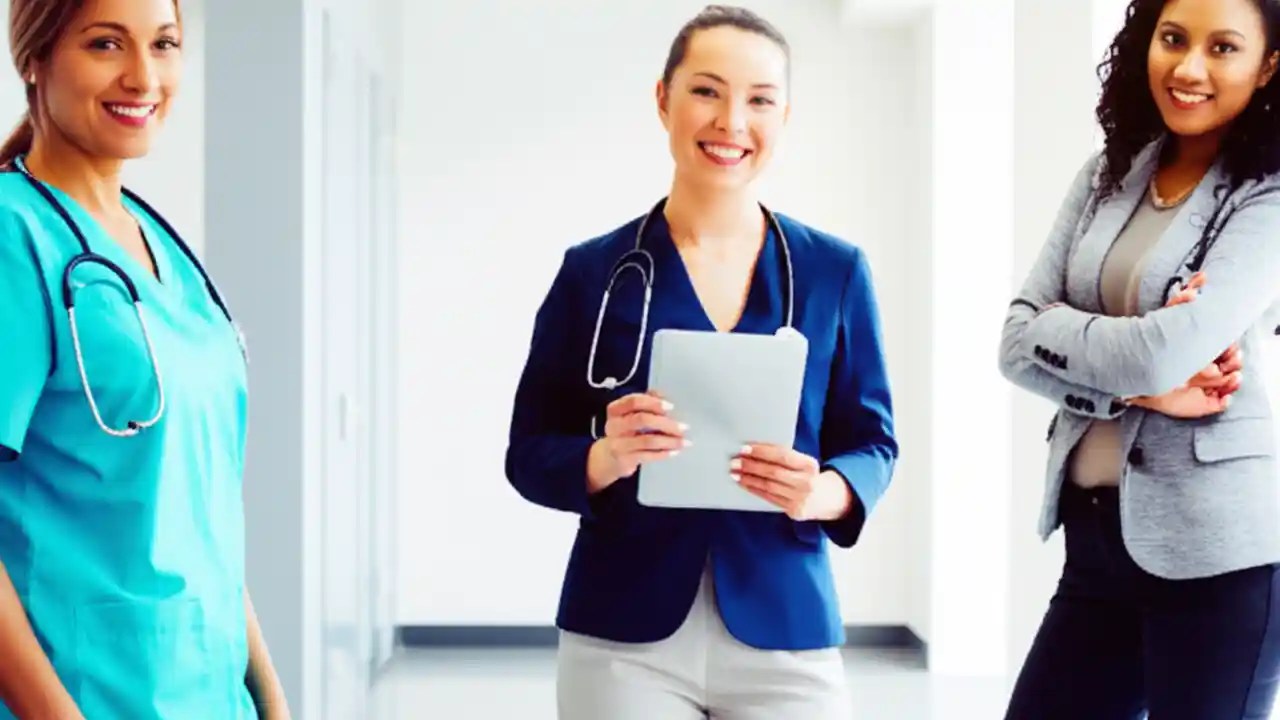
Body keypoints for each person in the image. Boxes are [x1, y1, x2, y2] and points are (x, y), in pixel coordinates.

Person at [504, 5, 897, 719]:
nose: (731, 123)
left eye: (759, 100)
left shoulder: (833, 272)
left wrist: (825, 492)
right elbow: (528, 451)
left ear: (784, 116)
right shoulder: (593, 272)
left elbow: (873, 441)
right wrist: (605, 457)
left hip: (786, 629)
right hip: (622, 635)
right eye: (707, 91)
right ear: (664, 100)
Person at [0, 0, 289, 718]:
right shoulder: (14, 239)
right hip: (94, 695)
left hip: (213, 695)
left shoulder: (157, 238)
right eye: (105, 44)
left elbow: (198, 509)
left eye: (163, 44)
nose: (142, 76)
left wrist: (270, 696)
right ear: (34, 59)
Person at [998, 0, 1280, 717]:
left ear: (1268, 65)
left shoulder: (1269, 194)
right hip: (1095, 539)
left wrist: (1069, 329)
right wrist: (1138, 391)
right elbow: (1014, 342)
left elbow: (1167, 353)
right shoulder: (1107, 172)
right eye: (1172, 39)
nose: (1188, 68)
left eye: (1223, 48)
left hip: (1222, 558)